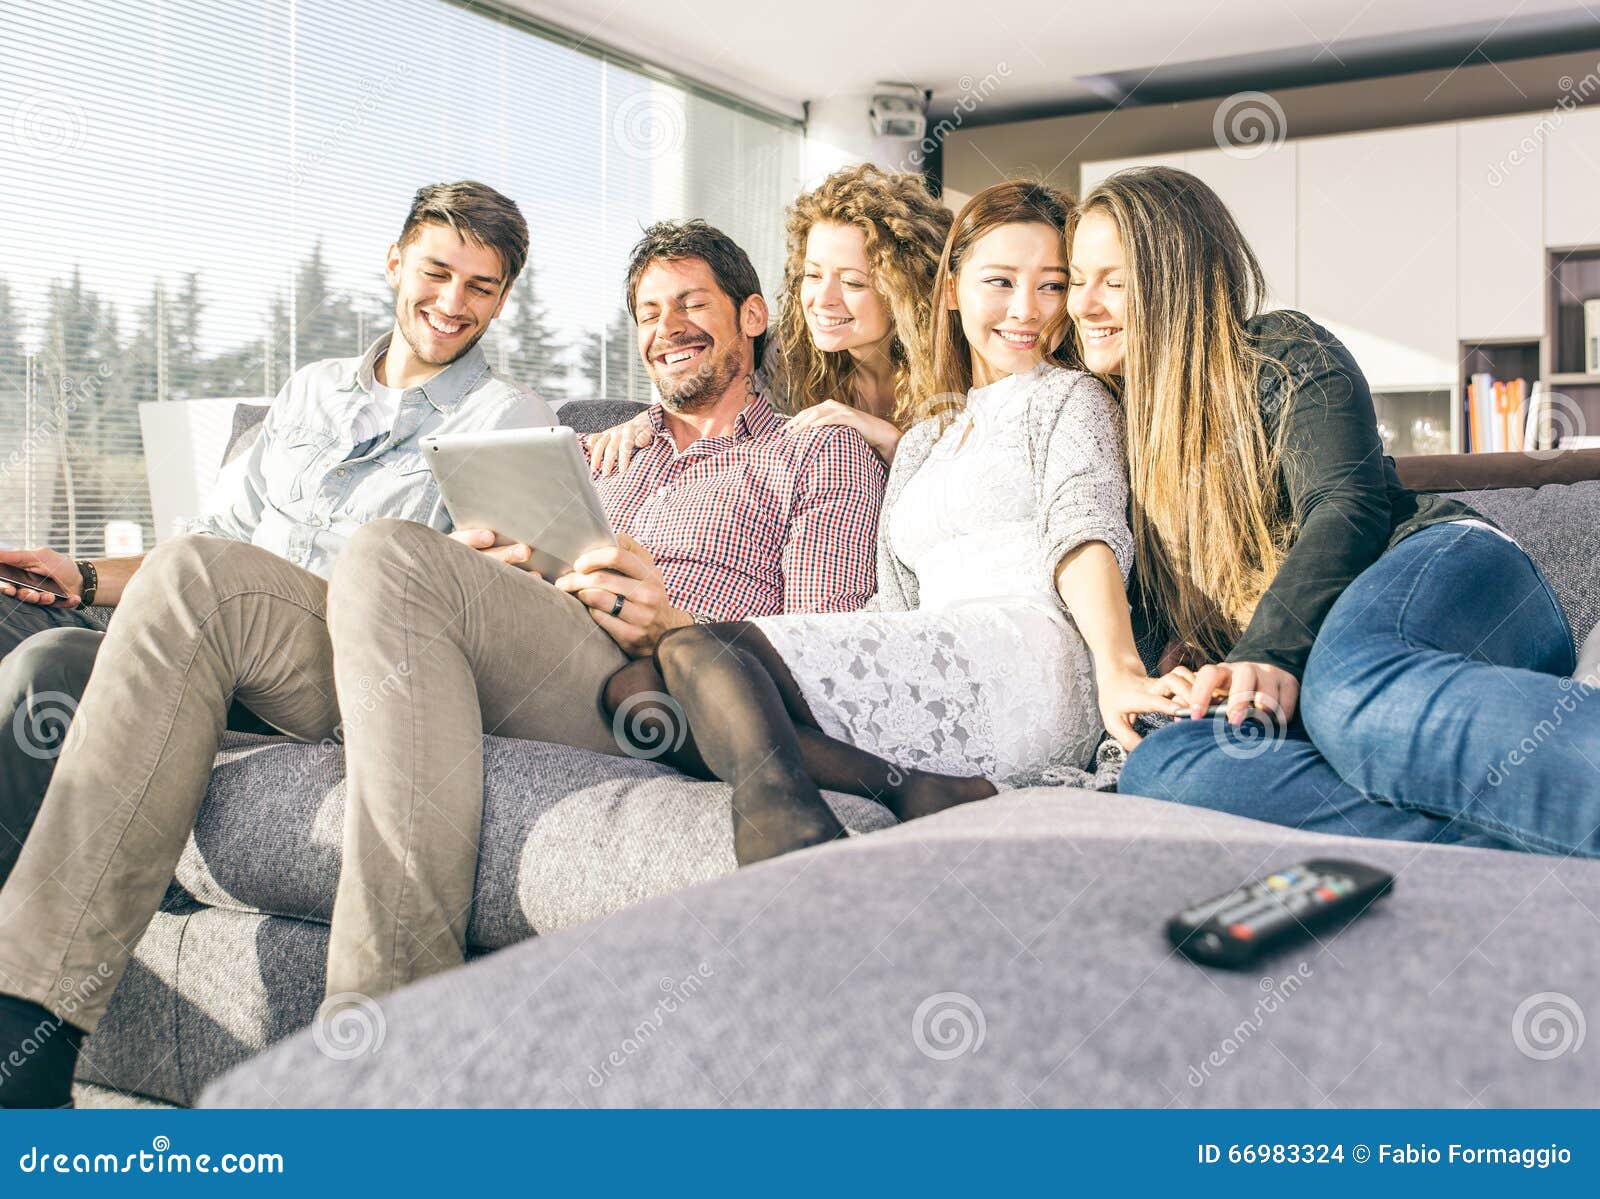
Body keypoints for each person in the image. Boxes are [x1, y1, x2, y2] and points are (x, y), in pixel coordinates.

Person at [0, 218, 885, 1108]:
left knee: (388, 550)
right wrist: (490, 578)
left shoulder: (813, 450)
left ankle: (383, 1053)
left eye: (693, 304)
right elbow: (535, 574)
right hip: (537, 646)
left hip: (656, 683)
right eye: (649, 312)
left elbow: (828, 643)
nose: (669, 327)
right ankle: (29, 1020)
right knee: (199, 572)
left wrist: (679, 618)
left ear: (755, 315)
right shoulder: (605, 454)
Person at [603, 180, 1186, 866]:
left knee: (702, 651)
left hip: (1030, 648)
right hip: (928, 640)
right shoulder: (923, 438)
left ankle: (783, 835)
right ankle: (921, 790)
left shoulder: (1071, 396)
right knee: (635, 690)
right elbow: (891, 598)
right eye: (1000, 281)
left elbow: (1084, 531)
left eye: (1053, 286)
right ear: (950, 290)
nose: (1026, 309)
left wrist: (1118, 668)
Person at [0, 179, 553, 888]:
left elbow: (509, 608)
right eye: (436, 273)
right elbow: (215, 534)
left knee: (78, 655)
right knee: (39, 650)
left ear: (502, 300)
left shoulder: (506, 415)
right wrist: (78, 576)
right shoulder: (311, 389)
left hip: (340, 672)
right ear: (394, 263)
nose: (452, 304)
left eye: (480, 287)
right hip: (217, 637)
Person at [1080, 167, 1596, 857]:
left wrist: (1266, 650)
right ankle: (1499, 847)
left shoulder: (1281, 351)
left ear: (1178, 278)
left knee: (1349, 690)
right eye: (1077, 279)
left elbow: (1344, 507)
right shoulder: (1115, 440)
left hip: (1453, 576)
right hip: (1328, 679)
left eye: (1114, 281)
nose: (1085, 303)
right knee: (1166, 769)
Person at [589, 162, 951, 472]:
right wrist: (645, 424)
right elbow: (712, 393)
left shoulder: (955, 372)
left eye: (853, 282)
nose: (822, 300)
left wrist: (890, 440)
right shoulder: (786, 356)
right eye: (812, 275)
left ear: (906, 289)